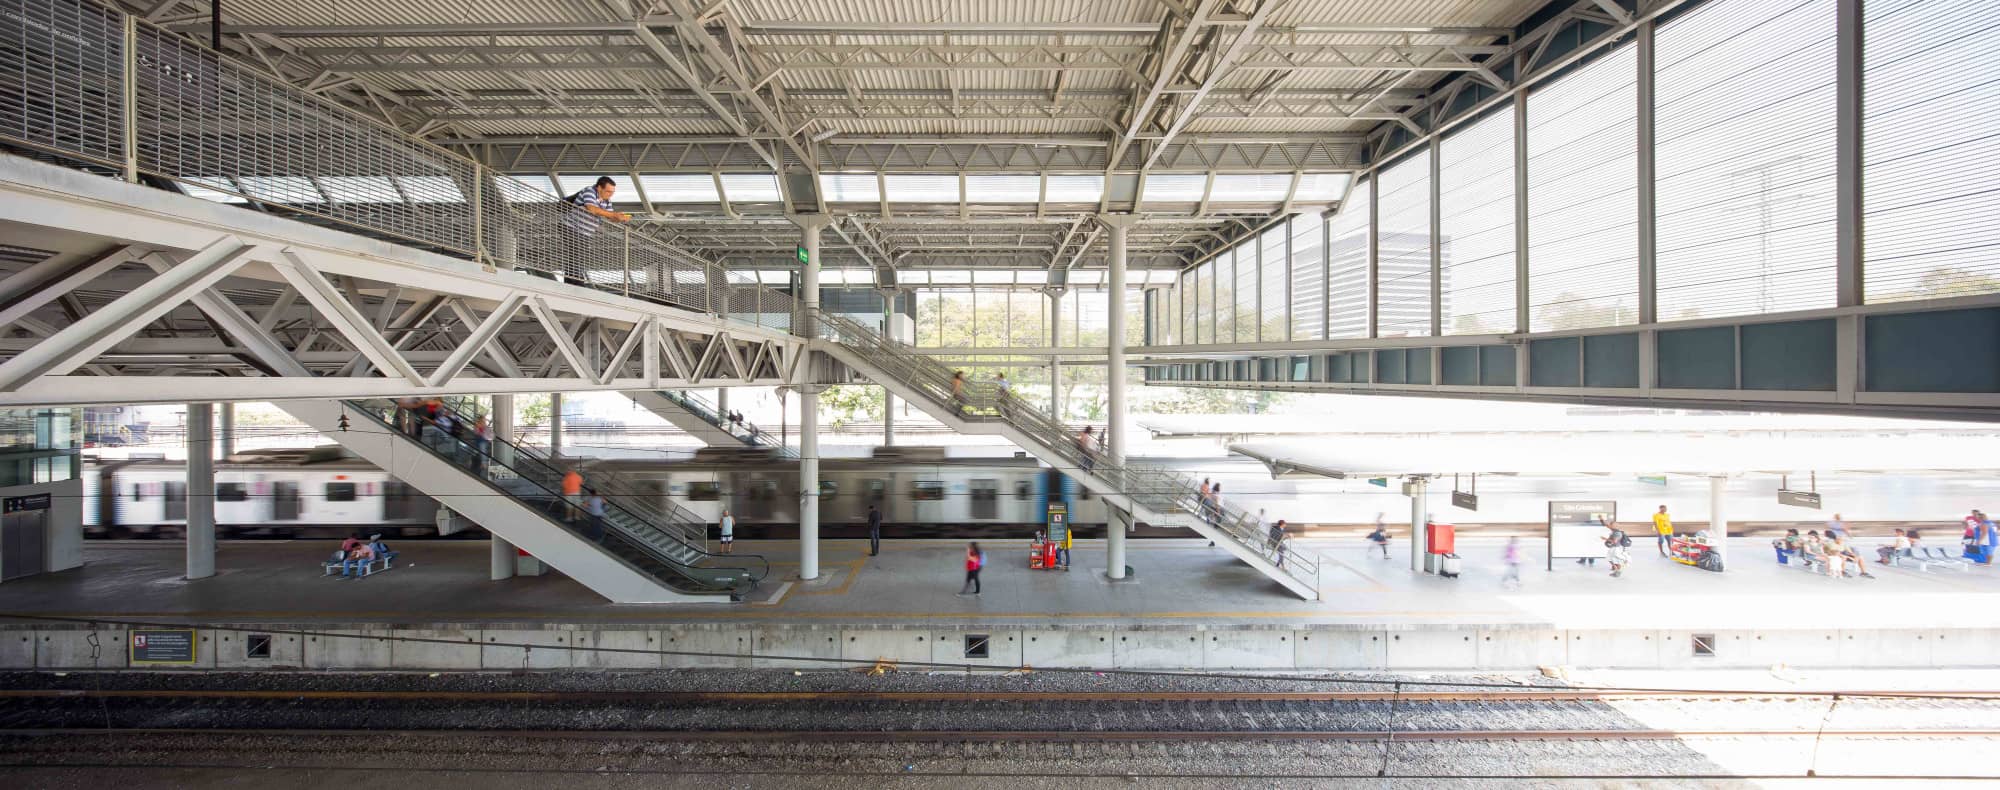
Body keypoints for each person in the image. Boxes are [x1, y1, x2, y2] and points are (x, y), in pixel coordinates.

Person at [560, 176, 632, 257]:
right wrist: (613, 215)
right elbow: (591, 208)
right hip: (571, 227)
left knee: (580, 257)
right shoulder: (589, 191)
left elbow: (610, 217)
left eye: (612, 192)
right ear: (599, 188)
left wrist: (620, 218)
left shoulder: (607, 201)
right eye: (608, 191)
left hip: (585, 233)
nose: (611, 195)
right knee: (577, 256)